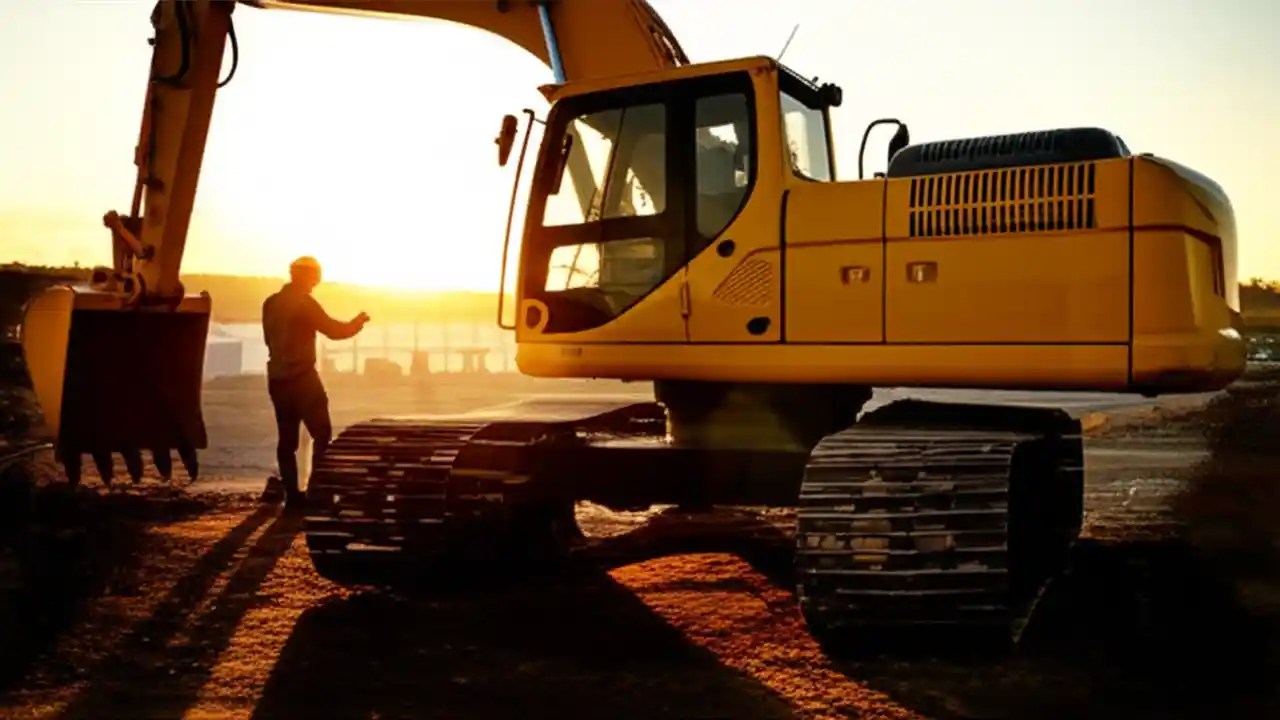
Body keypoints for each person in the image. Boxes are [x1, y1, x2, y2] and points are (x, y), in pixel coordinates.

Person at [261, 256, 369, 508]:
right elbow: (333, 330)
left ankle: (292, 497)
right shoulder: (304, 303)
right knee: (322, 433)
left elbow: (268, 339)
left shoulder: (271, 303)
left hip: (277, 379)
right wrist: (358, 323)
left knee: (286, 441)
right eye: (316, 275)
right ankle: (317, 491)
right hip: (303, 379)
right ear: (310, 276)